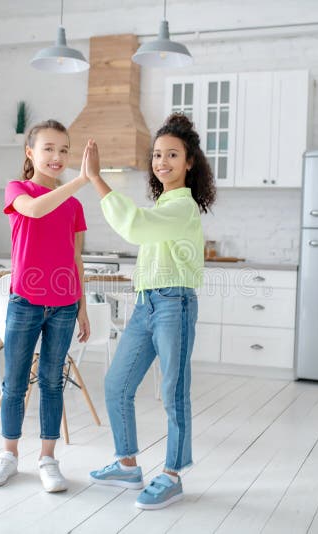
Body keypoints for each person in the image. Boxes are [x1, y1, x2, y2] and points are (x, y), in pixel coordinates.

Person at [84, 113, 216, 509]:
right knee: (116, 385)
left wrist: (95, 179)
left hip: (174, 305)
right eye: (157, 155)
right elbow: (145, 229)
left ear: (189, 162)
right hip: (147, 304)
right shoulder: (164, 205)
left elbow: (136, 227)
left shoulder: (183, 207)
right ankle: (127, 463)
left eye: (172, 155)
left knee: (173, 391)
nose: (162, 162)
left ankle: (172, 474)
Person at [0, 119, 92, 492]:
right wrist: (81, 179)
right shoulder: (18, 190)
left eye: (64, 150)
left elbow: (76, 259)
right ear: (31, 153)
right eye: (49, 148)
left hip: (63, 305)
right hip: (25, 302)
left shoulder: (75, 207)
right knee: (14, 383)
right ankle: (9, 455)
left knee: (51, 382)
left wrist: (82, 305)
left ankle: (48, 459)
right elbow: (33, 211)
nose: (57, 156)